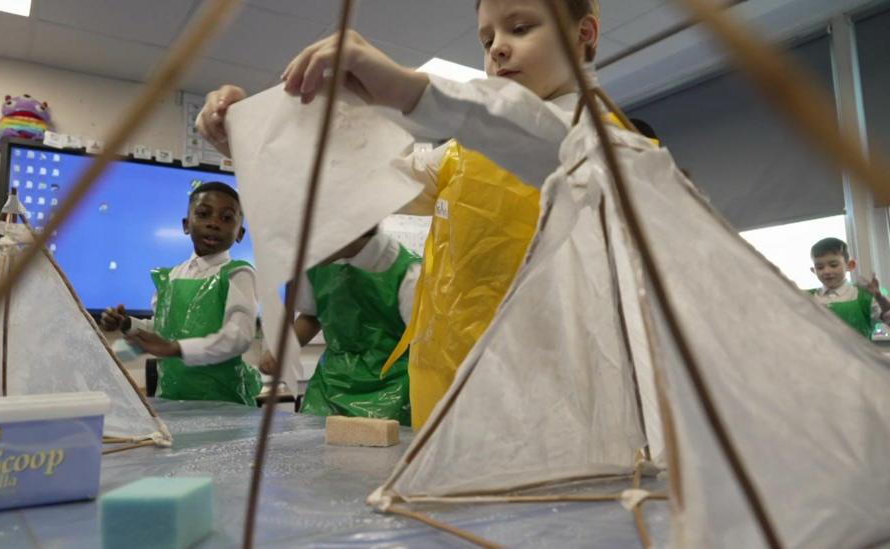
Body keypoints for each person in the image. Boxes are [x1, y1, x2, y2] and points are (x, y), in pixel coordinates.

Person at [197, 0, 606, 427]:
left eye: (520, 28)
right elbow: (352, 181)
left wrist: (408, 89)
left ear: (585, 34)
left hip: (556, 405)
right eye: (488, 40)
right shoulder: (459, 156)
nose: (498, 49)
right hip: (452, 394)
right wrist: (250, 141)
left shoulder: (605, 145)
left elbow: (542, 140)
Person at [100, 181, 263, 405]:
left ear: (240, 233)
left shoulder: (238, 273)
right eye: (204, 214)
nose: (214, 224)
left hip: (222, 401)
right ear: (186, 225)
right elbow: (164, 329)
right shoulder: (171, 276)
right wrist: (127, 324)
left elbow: (238, 337)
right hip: (171, 398)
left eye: (226, 218)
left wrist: (175, 348)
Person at [273, 226, 421, 425]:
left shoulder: (409, 272)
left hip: (391, 389)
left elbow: (426, 346)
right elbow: (312, 316)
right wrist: (283, 349)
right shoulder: (317, 266)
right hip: (329, 386)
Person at [808, 237, 890, 340]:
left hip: (857, 356)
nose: (826, 271)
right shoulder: (807, 298)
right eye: (820, 267)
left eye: (833, 265)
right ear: (813, 270)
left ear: (850, 265)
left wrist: (880, 298)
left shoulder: (864, 297)